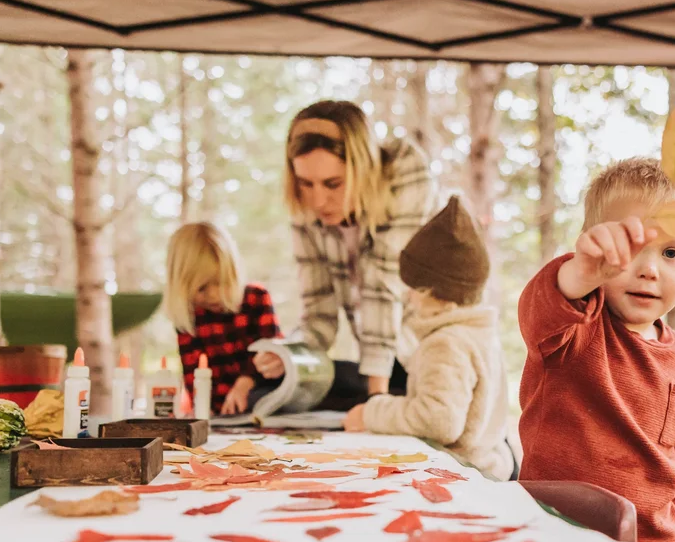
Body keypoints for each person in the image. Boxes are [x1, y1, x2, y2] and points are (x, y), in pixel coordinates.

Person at [516, 157, 675, 542]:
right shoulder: (572, 329)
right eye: (631, 246)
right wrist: (579, 274)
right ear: (593, 248)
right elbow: (539, 310)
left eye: (672, 252)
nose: (649, 267)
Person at [254, 100, 438, 409]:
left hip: (434, 361)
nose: (318, 199)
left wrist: (376, 403)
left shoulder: (406, 173)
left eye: (333, 184)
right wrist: (289, 354)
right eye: (305, 183)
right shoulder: (306, 209)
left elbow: (383, 286)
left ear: (362, 170)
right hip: (382, 366)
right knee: (260, 397)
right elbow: (319, 314)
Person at [342, 197, 515, 481]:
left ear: (433, 292)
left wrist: (372, 412)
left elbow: (439, 421)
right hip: (488, 468)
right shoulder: (481, 336)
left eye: (413, 288)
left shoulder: (446, 343)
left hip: (459, 475)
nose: (409, 296)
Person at [163, 222, 281, 416]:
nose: (215, 295)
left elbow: (271, 351)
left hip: (266, 397)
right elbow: (193, 375)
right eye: (202, 288)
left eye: (222, 283)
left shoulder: (256, 298)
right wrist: (201, 410)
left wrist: (245, 383)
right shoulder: (188, 318)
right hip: (223, 413)